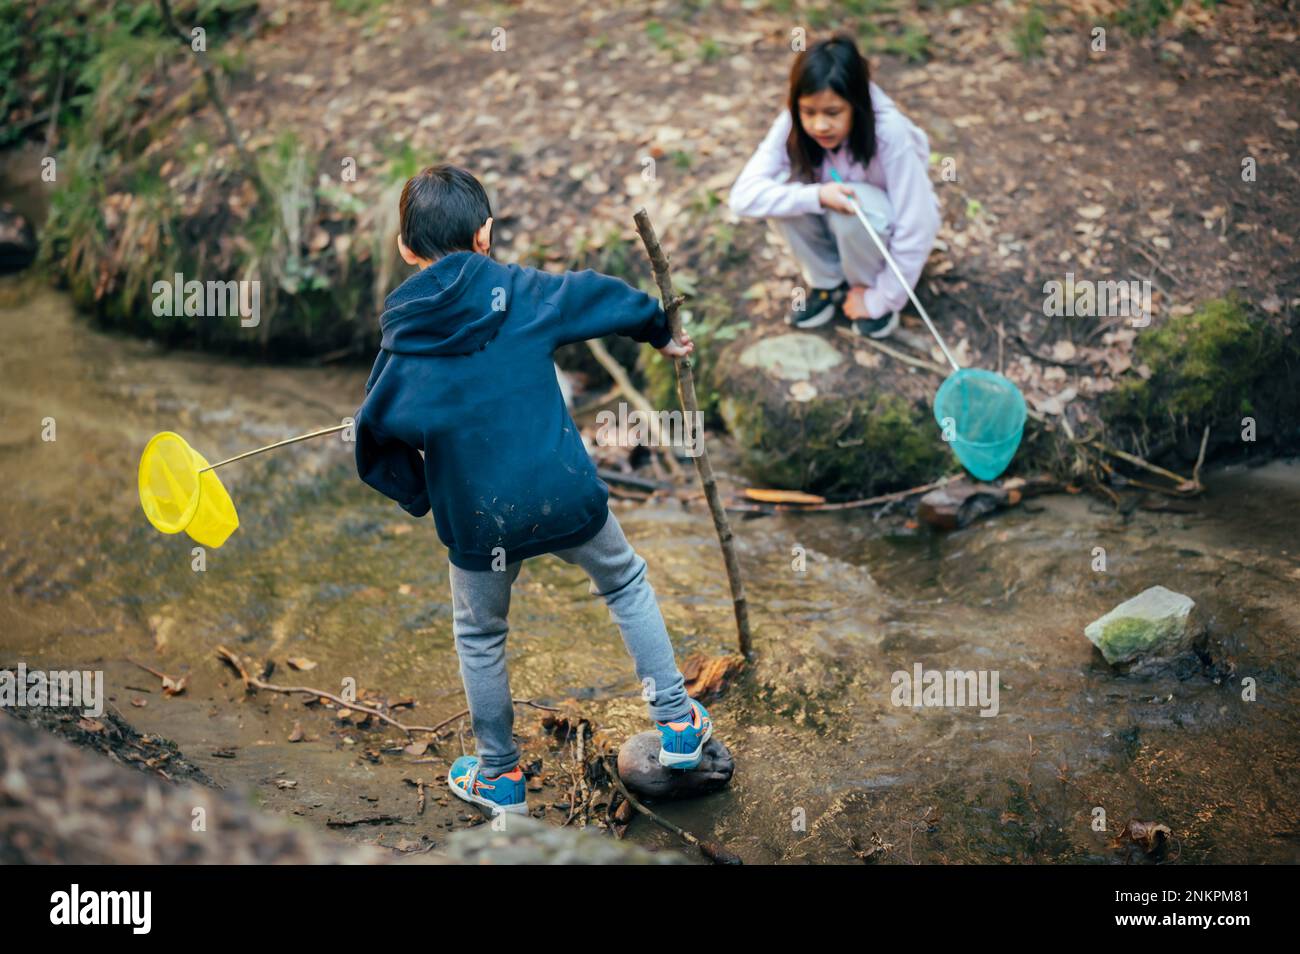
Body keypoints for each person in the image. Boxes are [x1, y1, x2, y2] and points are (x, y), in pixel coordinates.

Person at [353, 164, 716, 816]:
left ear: (406, 249)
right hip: (564, 492)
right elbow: (593, 295)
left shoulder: (401, 343)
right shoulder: (518, 291)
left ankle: (500, 777)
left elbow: (373, 438)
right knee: (626, 583)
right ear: (485, 234)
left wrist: (421, 492)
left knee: (481, 635)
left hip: (479, 519)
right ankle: (679, 725)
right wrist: (658, 329)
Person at [728, 34, 941, 339]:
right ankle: (828, 282)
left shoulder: (889, 133)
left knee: (853, 205)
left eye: (833, 113)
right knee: (784, 192)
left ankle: (867, 289)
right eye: (809, 112)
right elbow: (742, 197)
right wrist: (815, 196)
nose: (819, 126)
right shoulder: (792, 123)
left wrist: (884, 297)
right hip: (837, 223)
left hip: (879, 228)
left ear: (856, 104)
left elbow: (919, 222)